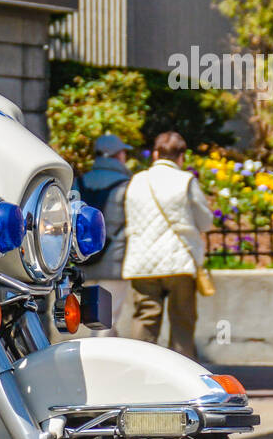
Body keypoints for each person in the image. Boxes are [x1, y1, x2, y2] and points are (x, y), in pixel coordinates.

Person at [121, 131, 215, 358]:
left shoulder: (137, 181)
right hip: (179, 260)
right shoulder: (185, 181)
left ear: (155, 154)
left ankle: (141, 370)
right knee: (182, 321)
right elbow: (206, 222)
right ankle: (183, 374)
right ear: (181, 156)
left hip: (142, 262)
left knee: (145, 318)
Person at [78, 133, 132, 337]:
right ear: (116, 156)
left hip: (86, 260)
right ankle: (99, 365)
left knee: (98, 319)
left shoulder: (79, 182)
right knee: (105, 324)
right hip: (114, 261)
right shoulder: (127, 184)